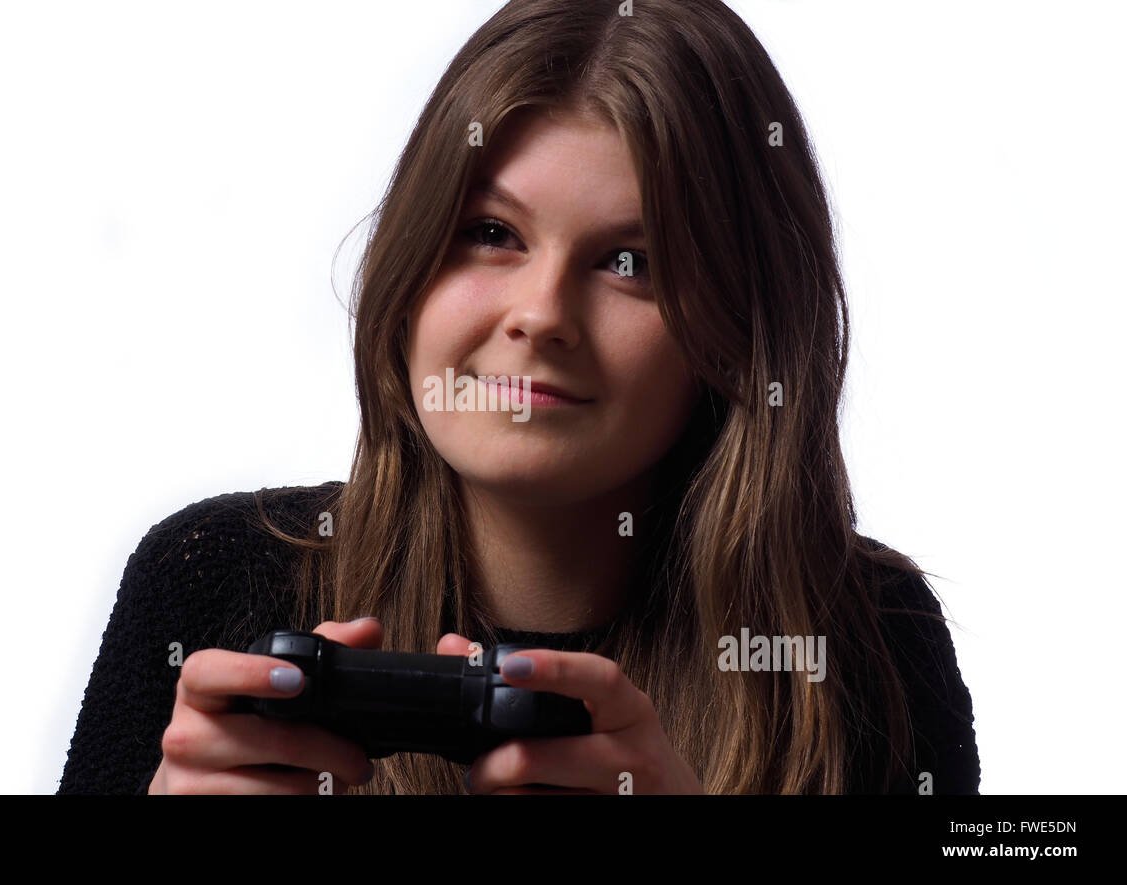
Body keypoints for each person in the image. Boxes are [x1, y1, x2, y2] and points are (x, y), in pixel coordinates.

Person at [58, 0, 981, 796]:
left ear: (738, 335)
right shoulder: (208, 579)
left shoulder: (865, 637)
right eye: (492, 233)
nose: (540, 316)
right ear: (410, 264)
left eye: (631, 263)